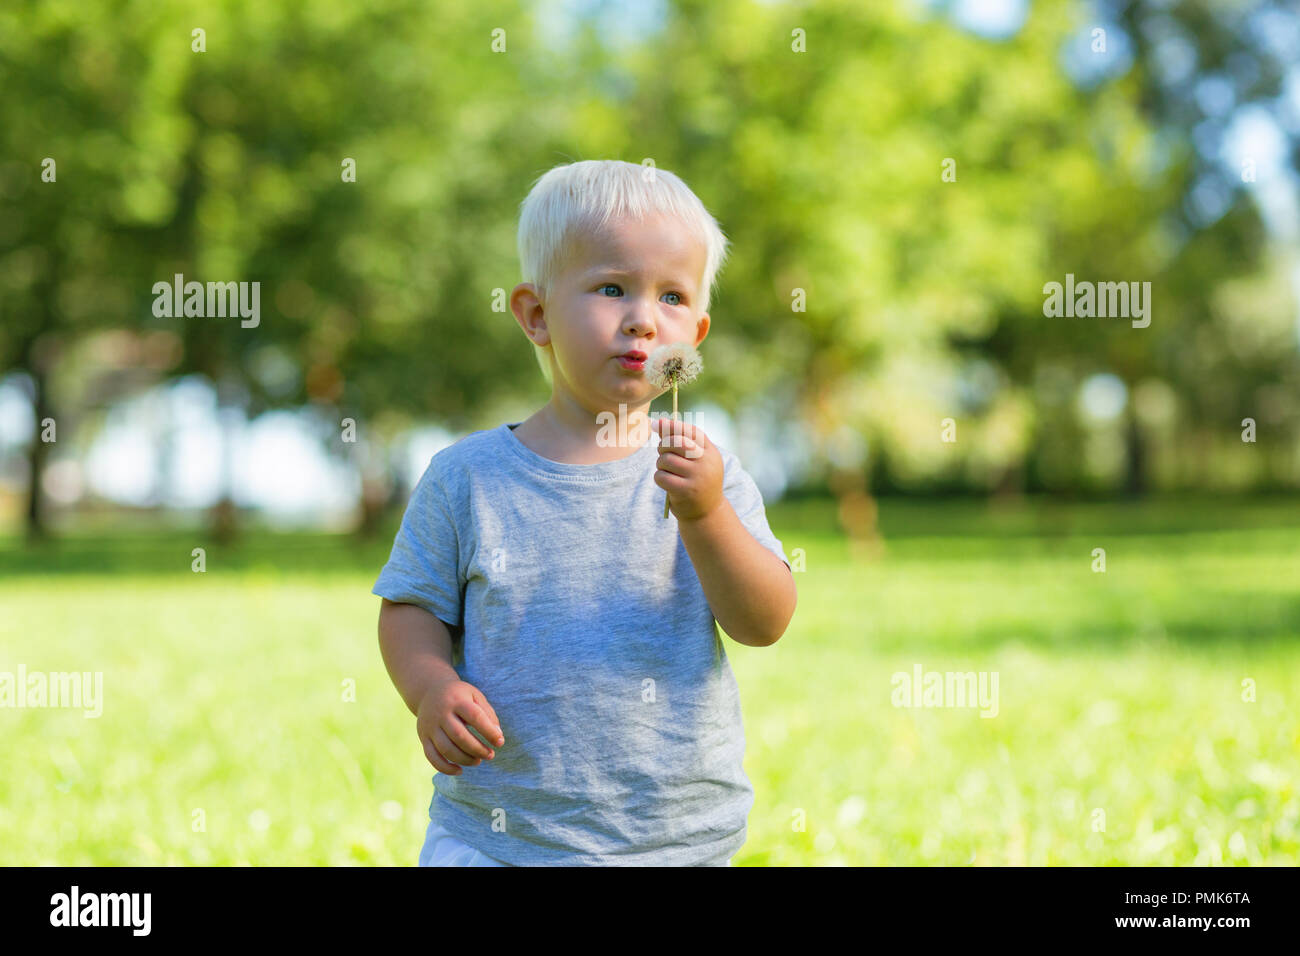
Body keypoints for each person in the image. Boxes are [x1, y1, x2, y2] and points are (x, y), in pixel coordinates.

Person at [373, 159, 796, 866]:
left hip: (677, 838)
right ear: (536, 314)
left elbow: (765, 621)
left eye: (672, 298)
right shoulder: (467, 477)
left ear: (697, 331)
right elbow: (410, 608)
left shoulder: (708, 475)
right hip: (501, 835)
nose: (642, 320)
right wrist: (431, 688)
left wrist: (706, 516)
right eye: (611, 288)